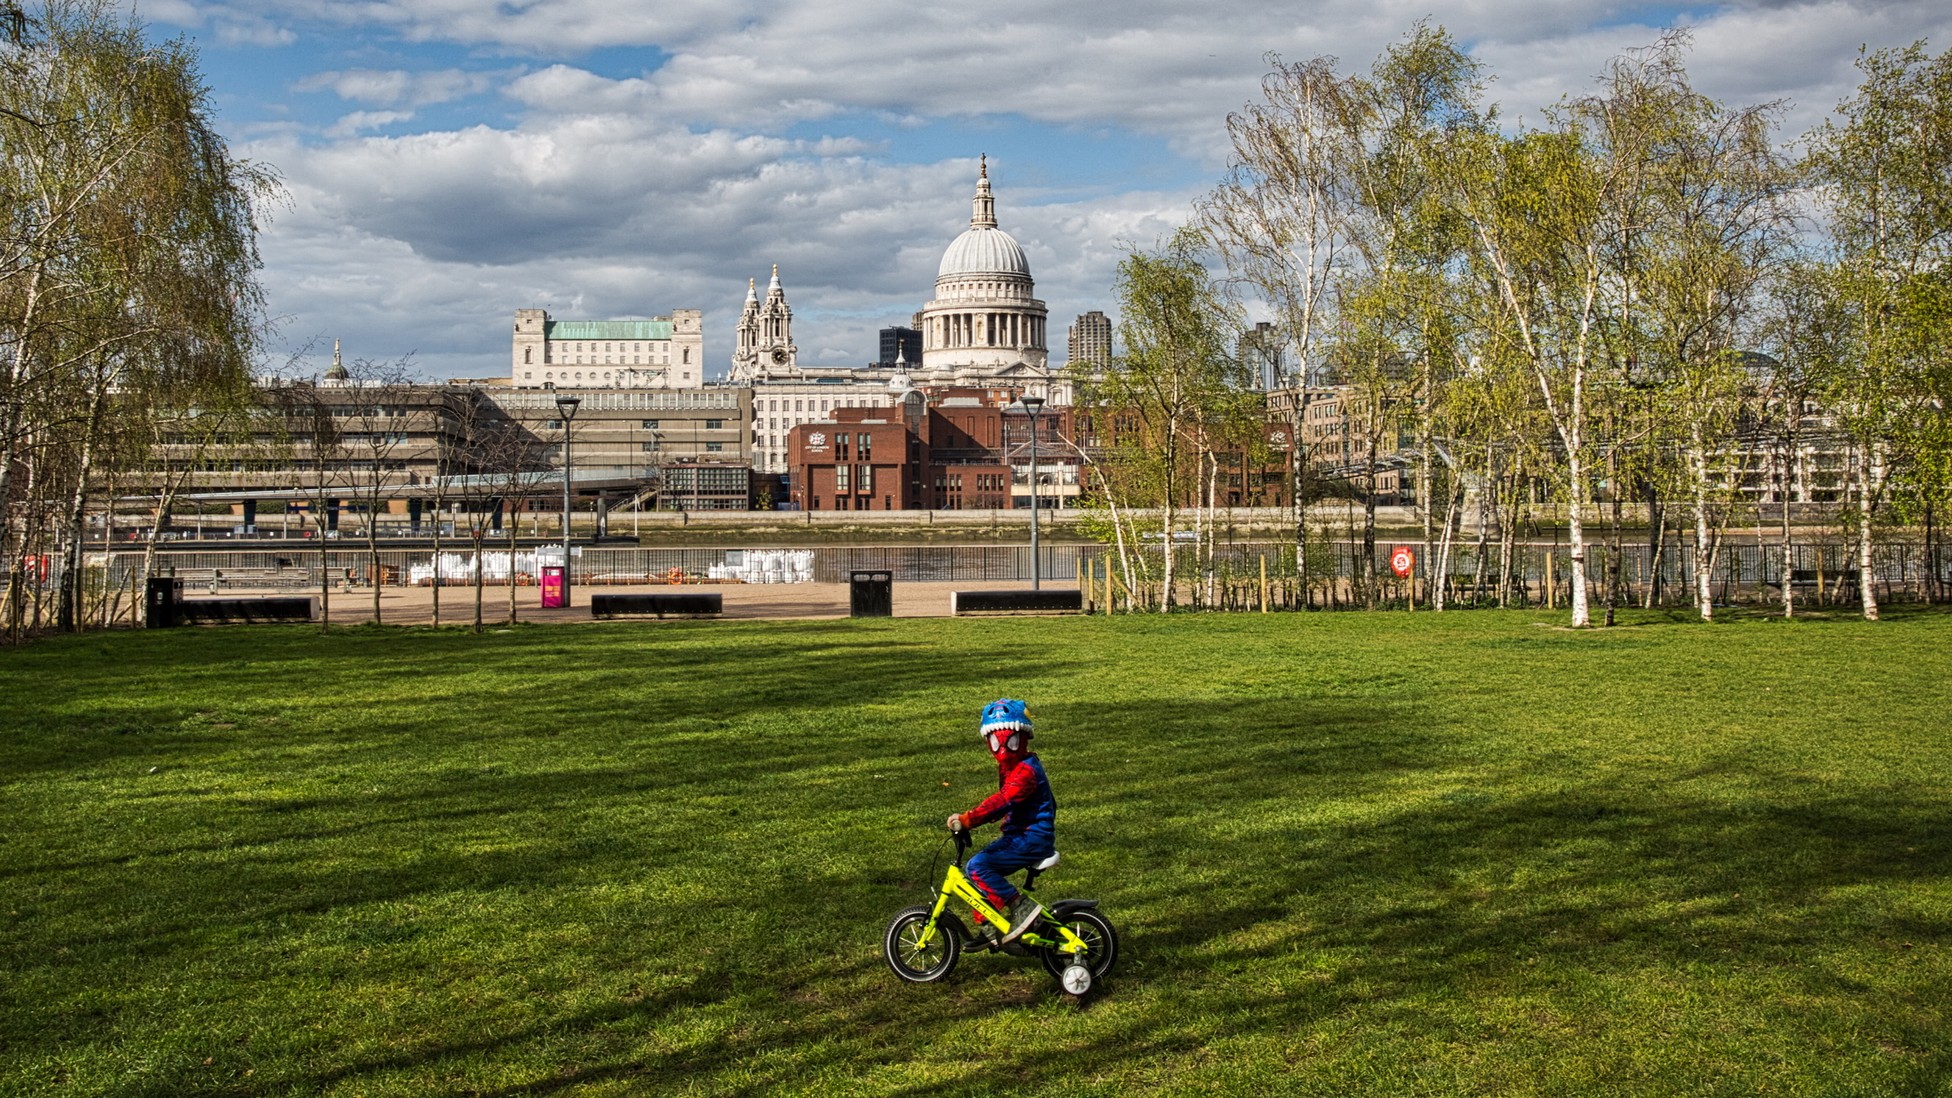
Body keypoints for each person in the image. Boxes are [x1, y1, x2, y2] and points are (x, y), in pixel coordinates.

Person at [947, 698, 1056, 947]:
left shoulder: (1025, 771)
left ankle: (1022, 907)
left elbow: (1003, 801)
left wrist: (967, 819)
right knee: (978, 871)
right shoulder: (1013, 768)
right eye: (996, 742)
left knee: (978, 867)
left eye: (1011, 741)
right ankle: (989, 928)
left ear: (1022, 738)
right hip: (1020, 835)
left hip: (1032, 838)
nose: (1003, 749)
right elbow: (1003, 806)